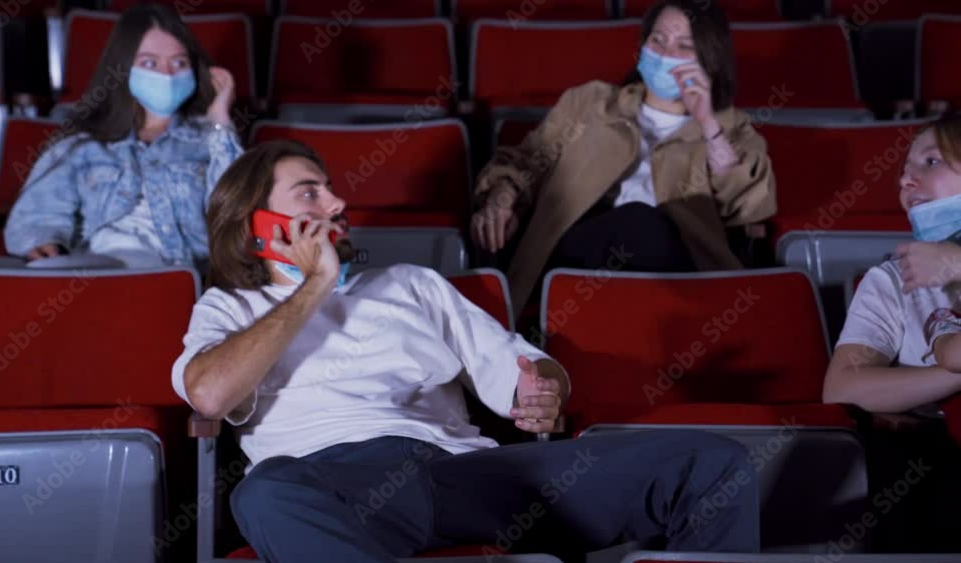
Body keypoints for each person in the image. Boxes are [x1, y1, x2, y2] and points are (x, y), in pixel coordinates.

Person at [170, 140, 759, 563]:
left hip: (466, 471)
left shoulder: (411, 283)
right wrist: (314, 285)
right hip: (335, 487)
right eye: (310, 192)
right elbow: (210, 393)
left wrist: (546, 389)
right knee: (264, 493)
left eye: (330, 187)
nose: (336, 202)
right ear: (259, 226)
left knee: (711, 465)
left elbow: (523, 368)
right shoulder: (231, 309)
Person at [471, 0, 776, 314]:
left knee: (644, 225)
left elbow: (747, 208)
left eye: (683, 46)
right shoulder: (590, 102)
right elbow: (527, 159)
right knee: (637, 223)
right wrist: (503, 193)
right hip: (578, 244)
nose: (665, 54)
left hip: (680, 264)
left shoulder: (729, 127)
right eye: (657, 40)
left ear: (708, 59)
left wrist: (707, 123)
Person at [3, 3, 242, 271]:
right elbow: (37, 216)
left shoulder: (210, 142)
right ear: (124, 67)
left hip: (182, 278)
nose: (167, 74)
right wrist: (44, 242)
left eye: (179, 62)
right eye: (149, 63)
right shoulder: (82, 146)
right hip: (97, 277)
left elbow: (236, 213)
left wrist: (220, 121)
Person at [824, 114, 961, 413]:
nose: (904, 180)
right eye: (904, 170)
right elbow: (842, 389)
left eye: (932, 162)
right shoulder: (895, 280)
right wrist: (952, 374)